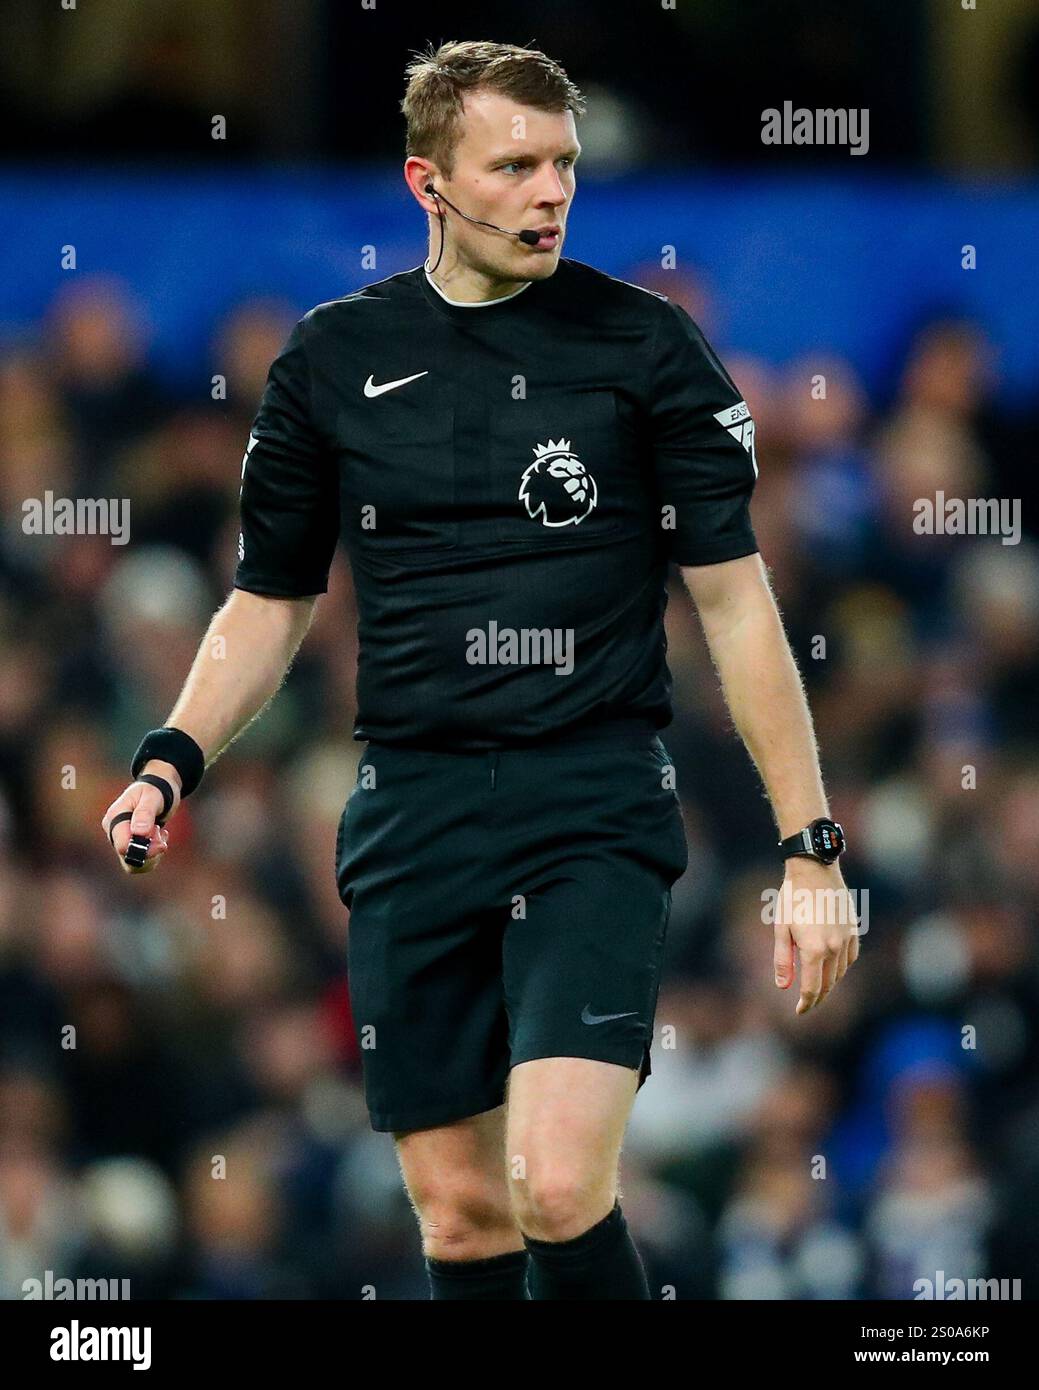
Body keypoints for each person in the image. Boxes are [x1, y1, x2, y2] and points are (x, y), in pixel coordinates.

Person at [102, 39, 859, 1300]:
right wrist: (168, 760)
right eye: (515, 165)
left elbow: (736, 607)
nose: (551, 190)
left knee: (555, 1184)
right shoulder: (330, 362)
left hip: (592, 805)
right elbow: (268, 599)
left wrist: (809, 847)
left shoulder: (647, 349)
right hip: (411, 810)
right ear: (428, 183)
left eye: (563, 162)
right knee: (460, 1220)